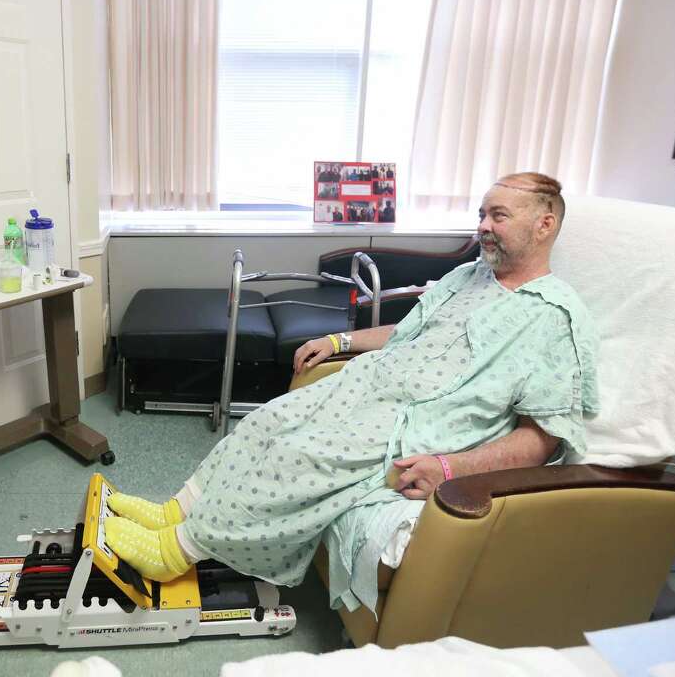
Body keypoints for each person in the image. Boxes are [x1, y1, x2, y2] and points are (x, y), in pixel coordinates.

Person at [99, 173, 599, 595]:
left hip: (421, 423)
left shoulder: (555, 318)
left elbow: (540, 440)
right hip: (371, 384)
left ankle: (177, 551)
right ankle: (177, 511)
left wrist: (449, 468)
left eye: (498, 216)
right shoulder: (469, 277)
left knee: (300, 454)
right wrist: (339, 340)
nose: (483, 226)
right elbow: (407, 332)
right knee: (269, 419)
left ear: (544, 224)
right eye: (482, 214)